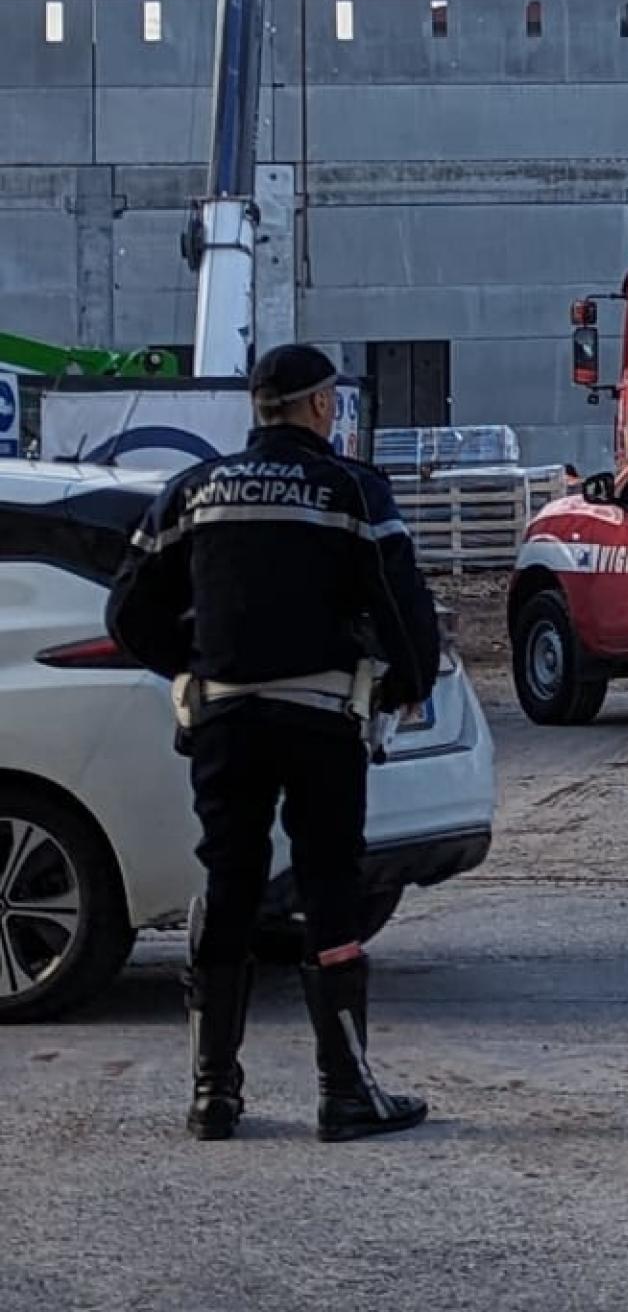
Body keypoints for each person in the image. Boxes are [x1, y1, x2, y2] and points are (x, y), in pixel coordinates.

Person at [107, 344, 442, 1143]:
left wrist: (192, 662)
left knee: (229, 886)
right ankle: (345, 1092)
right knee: (329, 887)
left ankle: (212, 1095)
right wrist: (402, 682)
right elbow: (405, 619)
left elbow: (128, 614)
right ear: (322, 407)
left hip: (224, 719)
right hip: (322, 721)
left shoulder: (193, 491)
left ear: (256, 407)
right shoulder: (351, 491)